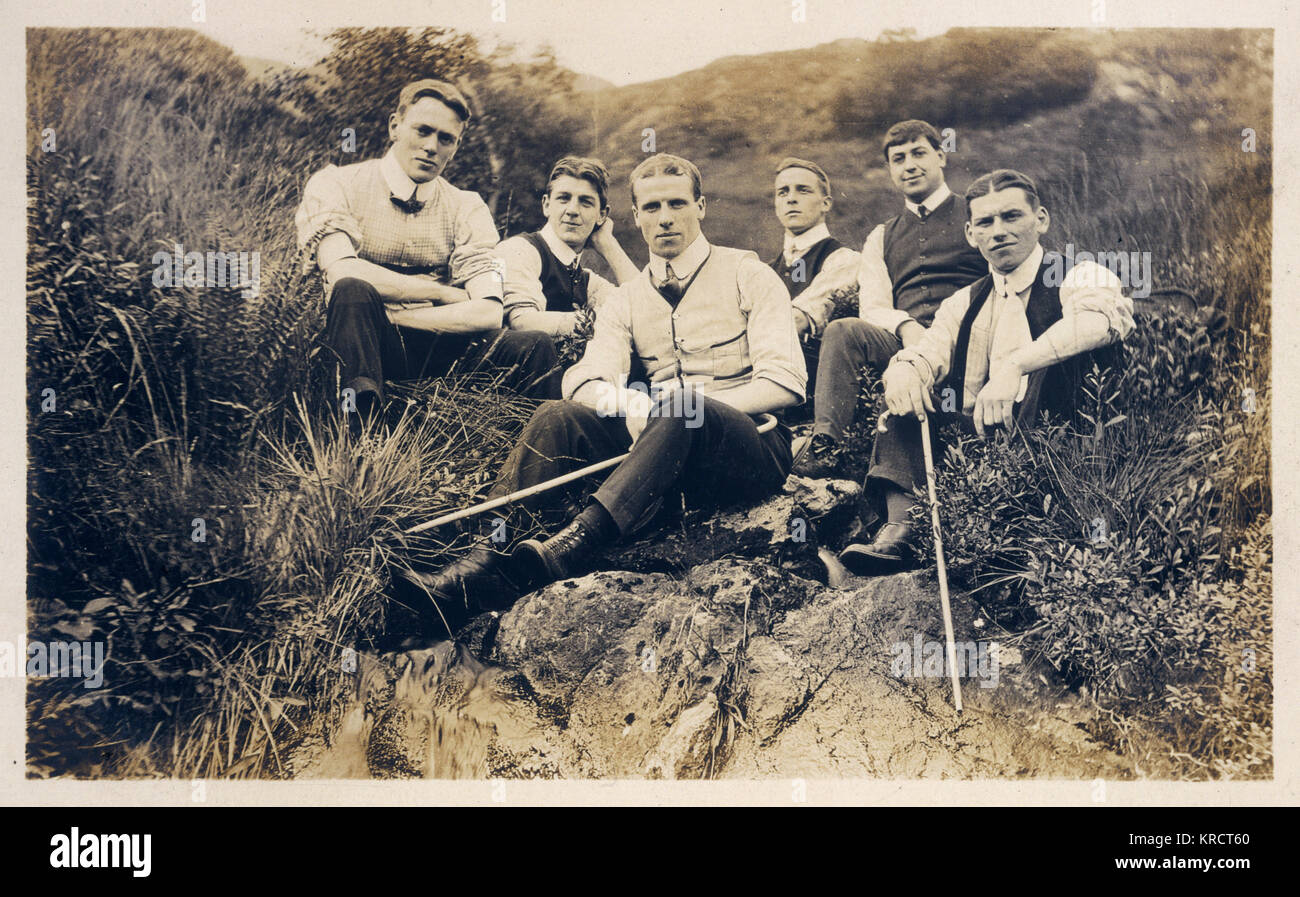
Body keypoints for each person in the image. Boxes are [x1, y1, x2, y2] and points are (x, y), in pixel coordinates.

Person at [394, 153, 806, 631]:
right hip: (665, 454)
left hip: (749, 449)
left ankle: (578, 543)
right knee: (557, 415)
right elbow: (585, 379)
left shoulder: (748, 274)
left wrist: (671, 410)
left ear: (701, 207)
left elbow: (785, 383)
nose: (665, 218)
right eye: (651, 208)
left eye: (677, 203)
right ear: (635, 217)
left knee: (682, 406)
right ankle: (484, 560)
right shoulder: (626, 299)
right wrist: (629, 403)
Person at [837, 168, 1135, 574]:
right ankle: (902, 530)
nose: (998, 231)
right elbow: (928, 351)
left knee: (1060, 353)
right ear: (970, 233)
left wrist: (1016, 365)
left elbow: (1103, 320)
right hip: (978, 444)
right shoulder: (964, 301)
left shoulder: (1080, 274)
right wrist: (905, 372)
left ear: (1041, 219)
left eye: (1011, 217)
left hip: (1063, 438)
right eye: (985, 222)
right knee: (904, 404)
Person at [294, 79, 561, 424]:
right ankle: (359, 440)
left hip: (438, 342)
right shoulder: (336, 183)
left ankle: (541, 459)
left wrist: (394, 316)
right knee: (352, 291)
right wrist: (439, 291)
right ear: (395, 126)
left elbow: (489, 312)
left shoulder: (467, 206)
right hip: (360, 343)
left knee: (534, 345)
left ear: (456, 145)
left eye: (445, 138)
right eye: (422, 131)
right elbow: (344, 271)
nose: (431, 147)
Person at [793, 120, 986, 477]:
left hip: (968, 339)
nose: (909, 165)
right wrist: (906, 325)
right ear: (891, 170)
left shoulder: (976, 215)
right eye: (898, 159)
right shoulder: (881, 236)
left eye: (919, 153)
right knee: (843, 330)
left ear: (941, 156)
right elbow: (874, 306)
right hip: (904, 346)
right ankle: (827, 446)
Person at [495, 156, 639, 337]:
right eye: (563, 198)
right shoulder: (520, 250)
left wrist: (609, 245)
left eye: (585, 202)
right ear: (547, 205)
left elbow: (642, 309)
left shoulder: (585, 280)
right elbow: (522, 321)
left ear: (602, 215)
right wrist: (604, 321)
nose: (572, 210)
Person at [767, 157, 861, 412]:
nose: (791, 198)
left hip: (815, 399)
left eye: (803, 190)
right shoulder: (765, 271)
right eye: (782, 192)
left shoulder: (844, 260)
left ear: (826, 203)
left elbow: (798, 320)